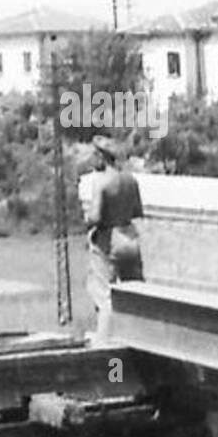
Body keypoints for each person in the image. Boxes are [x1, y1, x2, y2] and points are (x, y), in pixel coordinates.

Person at [85, 135, 143, 337]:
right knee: (134, 292)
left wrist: (86, 222)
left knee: (104, 294)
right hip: (129, 236)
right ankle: (137, 336)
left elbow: (95, 216)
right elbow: (137, 211)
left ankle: (104, 340)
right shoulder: (131, 180)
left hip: (108, 238)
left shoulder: (101, 183)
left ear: (102, 157)